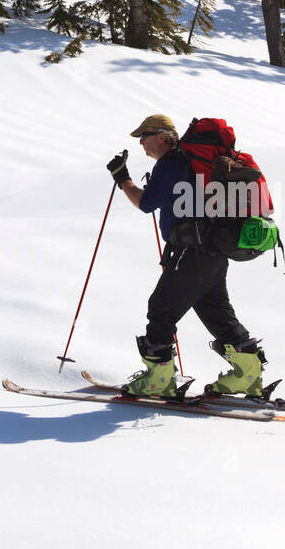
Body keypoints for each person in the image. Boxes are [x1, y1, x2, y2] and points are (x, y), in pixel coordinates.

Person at [106, 113, 266, 399]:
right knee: (216, 312)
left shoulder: (171, 164)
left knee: (161, 309)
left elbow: (146, 204)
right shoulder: (191, 164)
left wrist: (123, 179)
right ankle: (247, 374)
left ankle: (159, 379)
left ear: (163, 137)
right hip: (213, 252)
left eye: (145, 136)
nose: (141, 143)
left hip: (191, 251)